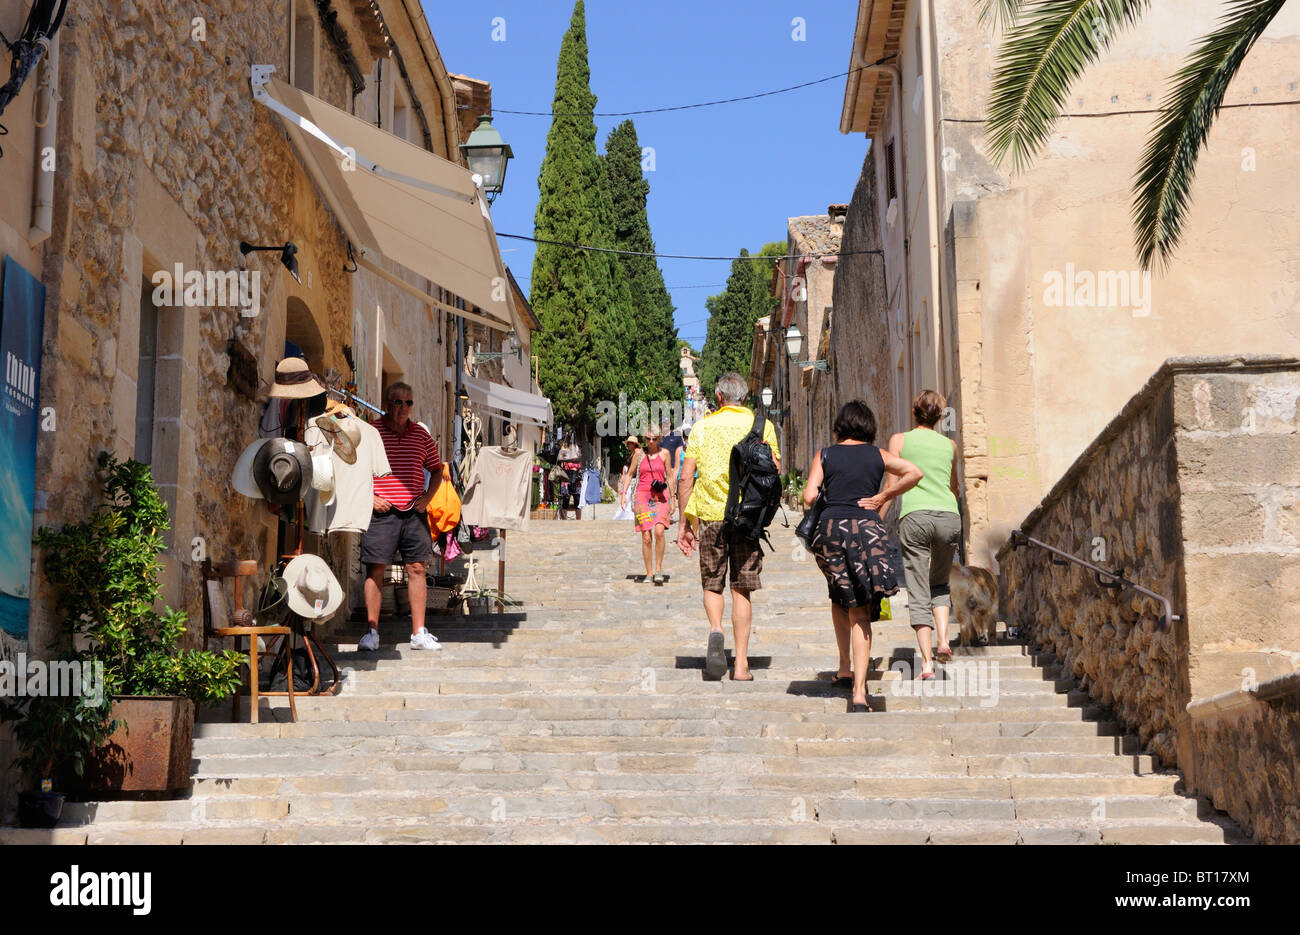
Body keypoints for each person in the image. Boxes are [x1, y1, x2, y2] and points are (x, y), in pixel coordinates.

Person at [802, 400, 922, 711]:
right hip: (867, 532)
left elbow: (809, 496)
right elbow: (914, 472)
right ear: (868, 427)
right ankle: (858, 692)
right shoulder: (878, 455)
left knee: (839, 594)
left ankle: (844, 667)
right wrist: (883, 496)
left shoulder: (825, 454)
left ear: (840, 426)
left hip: (829, 532)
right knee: (860, 611)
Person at [677, 373, 781, 681]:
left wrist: (684, 523)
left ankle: (716, 630)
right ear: (745, 398)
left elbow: (686, 478)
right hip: (747, 518)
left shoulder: (702, 427)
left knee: (712, 584)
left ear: (719, 397)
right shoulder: (762, 426)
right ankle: (741, 666)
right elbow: (775, 470)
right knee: (742, 588)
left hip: (711, 515)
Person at [875, 389, 963, 679]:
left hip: (915, 517)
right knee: (940, 582)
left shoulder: (899, 441)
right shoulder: (950, 445)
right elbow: (954, 487)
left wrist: (876, 521)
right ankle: (944, 641)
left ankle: (926, 663)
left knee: (917, 587)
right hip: (948, 517)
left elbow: (891, 487)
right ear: (939, 416)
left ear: (914, 412)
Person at [358, 382, 444, 652]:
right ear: (387, 404)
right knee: (375, 569)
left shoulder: (420, 435)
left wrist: (427, 499)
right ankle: (372, 633)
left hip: (413, 513)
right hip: (382, 512)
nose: (404, 407)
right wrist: (371, 498)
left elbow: (437, 469)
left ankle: (418, 633)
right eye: (398, 402)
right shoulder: (372, 432)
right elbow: (356, 468)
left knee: (417, 568)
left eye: (408, 402)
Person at [620, 428, 672, 583]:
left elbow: (670, 477)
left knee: (659, 531)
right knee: (646, 537)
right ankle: (649, 573)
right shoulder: (639, 454)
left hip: (660, 497)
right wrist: (623, 494)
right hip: (642, 498)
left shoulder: (665, 454)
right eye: (648, 439)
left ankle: (658, 569)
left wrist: (674, 499)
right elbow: (630, 474)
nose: (651, 442)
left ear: (659, 439)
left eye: (654, 439)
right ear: (644, 439)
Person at [658, 420, 685, 521]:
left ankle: (668, 515)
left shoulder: (677, 436)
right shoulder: (658, 438)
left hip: (673, 468)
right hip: (660, 469)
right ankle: (662, 514)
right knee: (661, 492)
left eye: (667, 423)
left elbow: (681, 451)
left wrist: (677, 470)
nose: (665, 425)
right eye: (663, 423)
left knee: (671, 492)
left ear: (670, 424)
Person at [558, 437, 583, 520]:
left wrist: (571, 460)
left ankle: (578, 520)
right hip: (566, 479)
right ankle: (564, 520)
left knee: (577, 501)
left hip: (576, 480)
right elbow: (560, 460)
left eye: (573, 444)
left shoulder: (577, 452)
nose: (571, 445)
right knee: (565, 501)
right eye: (570, 444)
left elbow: (580, 462)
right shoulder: (564, 452)